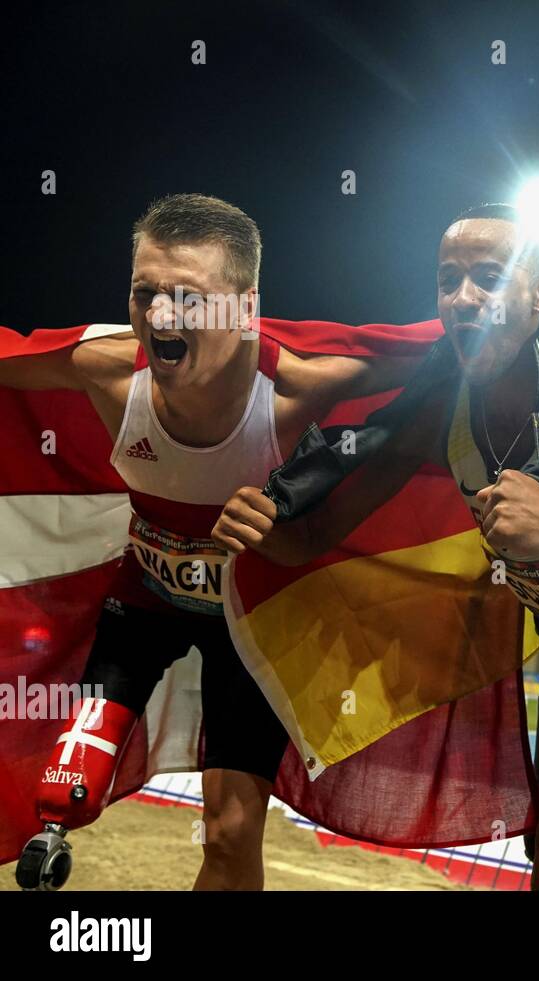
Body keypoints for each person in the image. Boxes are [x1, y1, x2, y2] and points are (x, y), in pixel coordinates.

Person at [213, 204, 539, 890]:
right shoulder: (444, 398)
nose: (464, 299)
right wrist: (263, 520)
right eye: (448, 280)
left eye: (490, 278)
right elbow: (315, 534)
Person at [4, 193, 423, 890]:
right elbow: (8, 357)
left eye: (189, 299)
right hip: (143, 601)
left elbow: (448, 364)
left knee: (230, 835)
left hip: (250, 617)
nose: (161, 317)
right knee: (67, 788)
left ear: (245, 308)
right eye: (145, 293)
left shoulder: (300, 387)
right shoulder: (107, 368)